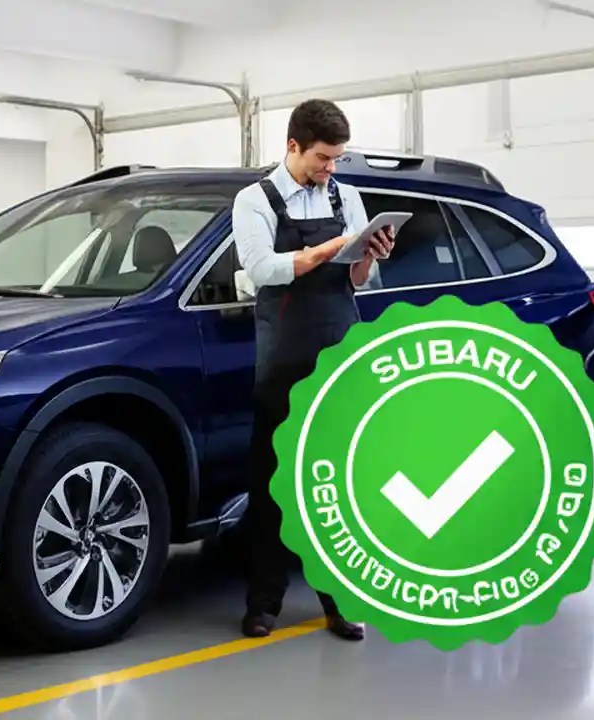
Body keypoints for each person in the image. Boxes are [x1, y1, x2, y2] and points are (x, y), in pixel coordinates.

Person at [231, 98, 395, 640]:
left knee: (336, 488)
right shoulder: (255, 201)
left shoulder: (347, 197)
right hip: (283, 358)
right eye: (323, 157)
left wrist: (369, 253)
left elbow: (357, 281)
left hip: (338, 359)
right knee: (272, 486)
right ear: (293, 146)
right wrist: (330, 248)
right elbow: (263, 269)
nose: (331, 167)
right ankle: (264, 603)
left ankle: (340, 600)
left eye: (337, 158)